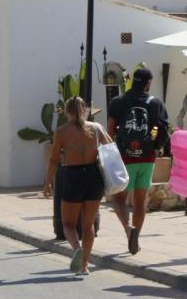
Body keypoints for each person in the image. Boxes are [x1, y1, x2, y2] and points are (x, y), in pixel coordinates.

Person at [43, 97, 110, 275]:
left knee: (68, 224)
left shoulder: (62, 131)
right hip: (94, 177)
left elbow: (54, 159)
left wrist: (48, 182)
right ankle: (85, 266)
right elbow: (111, 149)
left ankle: (76, 249)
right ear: (84, 110)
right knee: (88, 225)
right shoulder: (96, 128)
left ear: (67, 111)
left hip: (73, 176)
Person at [108, 67, 170, 255]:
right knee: (140, 202)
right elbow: (162, 130)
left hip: (124, 158)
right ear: (148, 82)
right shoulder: (155, 103)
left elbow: (110, 130)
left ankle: (129, 231)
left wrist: (112, 152)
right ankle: (137, 237)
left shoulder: (118, 102)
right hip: (147, 158)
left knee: (118, 199)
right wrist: (156, 146)